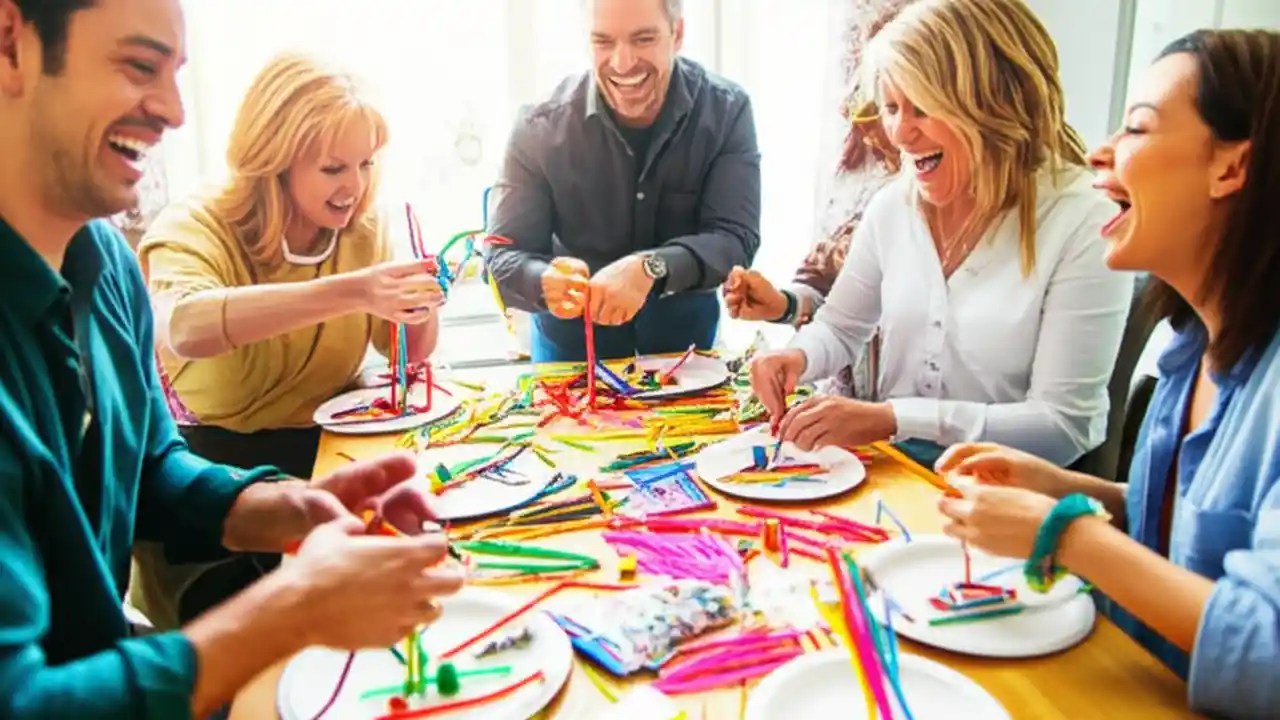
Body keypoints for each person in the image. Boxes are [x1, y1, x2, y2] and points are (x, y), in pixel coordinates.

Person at [0, 1, 462, 717]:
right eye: (139, 66)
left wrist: (293, 508)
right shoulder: (188, 233)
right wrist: (294, 606)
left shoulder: (107, 269)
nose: (175, 112)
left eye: (177, 74)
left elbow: (153, 472)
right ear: (10, 43)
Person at [936, 28, 1280, 719]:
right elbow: (1194, 531)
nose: (1100, 149)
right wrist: (1069, 488)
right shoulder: (1190, 351)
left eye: (1138, 127)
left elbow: (1266, 653)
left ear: (1231, 168)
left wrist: (1065, 533)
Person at [129, 52, 444, 631]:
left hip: (334, 460)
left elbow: (408, 353)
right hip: (209, 488)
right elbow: (185, 327)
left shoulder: (366, 225)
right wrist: (350, 291)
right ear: (275, 160)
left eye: (367, 164)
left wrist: (418, 303)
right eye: (333, 168)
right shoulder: (196, 225)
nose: (355, 187)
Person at [749, 0, 1134, 468]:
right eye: (891, 107)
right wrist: (797, 358)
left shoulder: (1083, 224)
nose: (900, 133)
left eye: (923, 108)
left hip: (1009, 499)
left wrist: (893, 419)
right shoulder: (892, 206)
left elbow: (1062, 427)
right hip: (894, 478)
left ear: (994, 103)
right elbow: (842, 327)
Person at [486, 0, 761, 363]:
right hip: (569, 363)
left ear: (676, 34)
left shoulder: (726, 110)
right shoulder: (538, 127)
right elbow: (502, 254)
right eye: (603, 42)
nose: (623, 63)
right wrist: (541, 280)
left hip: (688, 359)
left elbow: (735, 239)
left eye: (643, 39)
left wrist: (652, 267)